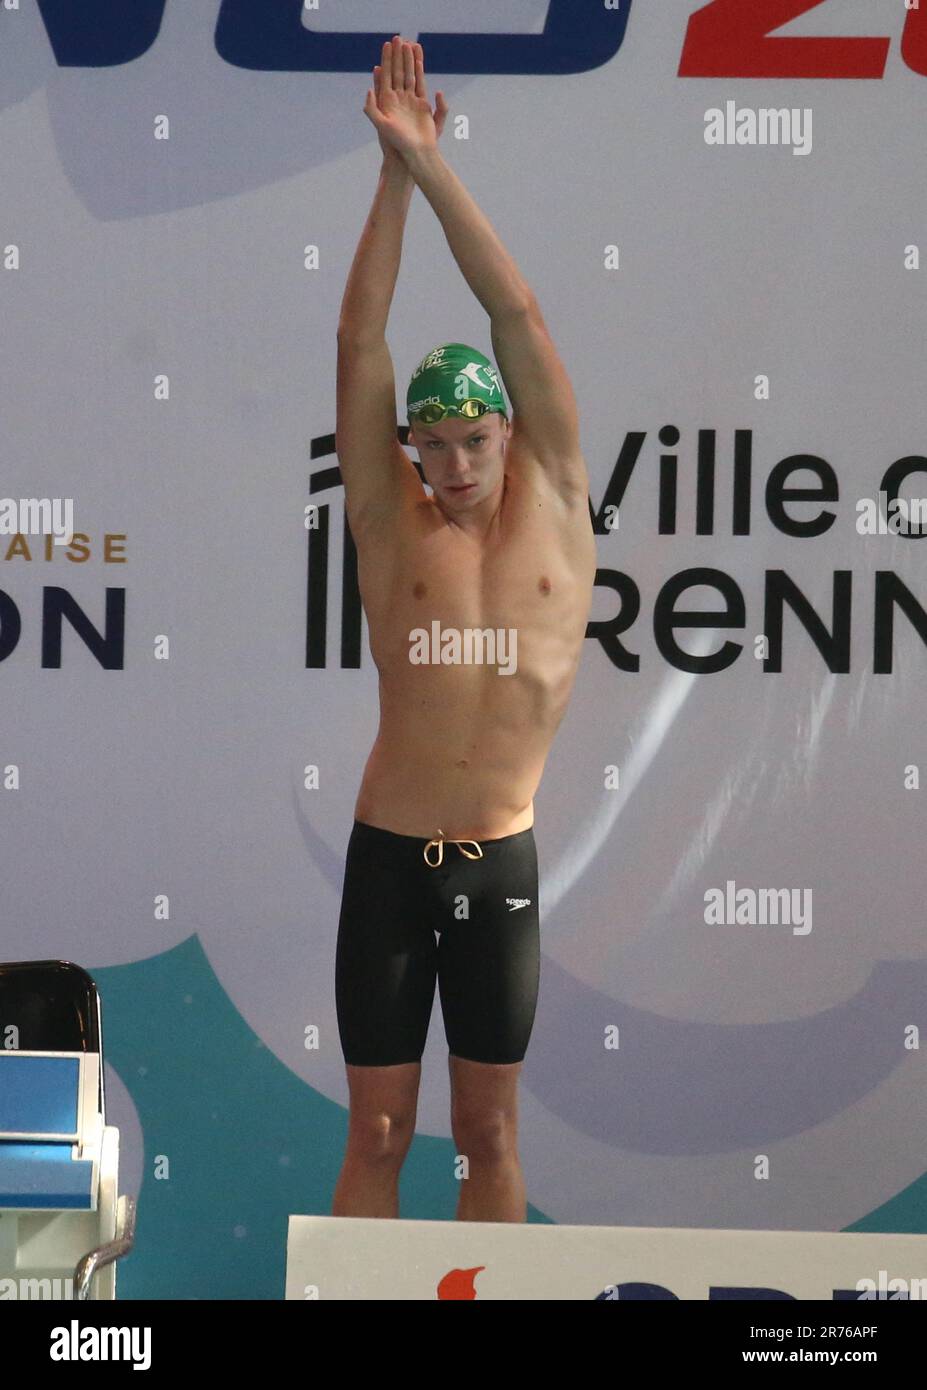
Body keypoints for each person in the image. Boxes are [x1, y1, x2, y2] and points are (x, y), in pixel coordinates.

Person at [332, 35, 596, 1222]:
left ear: (511, 438)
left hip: (499, 860)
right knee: (382, 1130)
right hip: (391, 860)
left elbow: (517, 309)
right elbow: (360, 348)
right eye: (428, 444)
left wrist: (433, 168)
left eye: (470, 442)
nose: (447, 464)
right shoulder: (393, 521)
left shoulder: (558, 499)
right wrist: (388, 181)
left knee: (486, 1132)